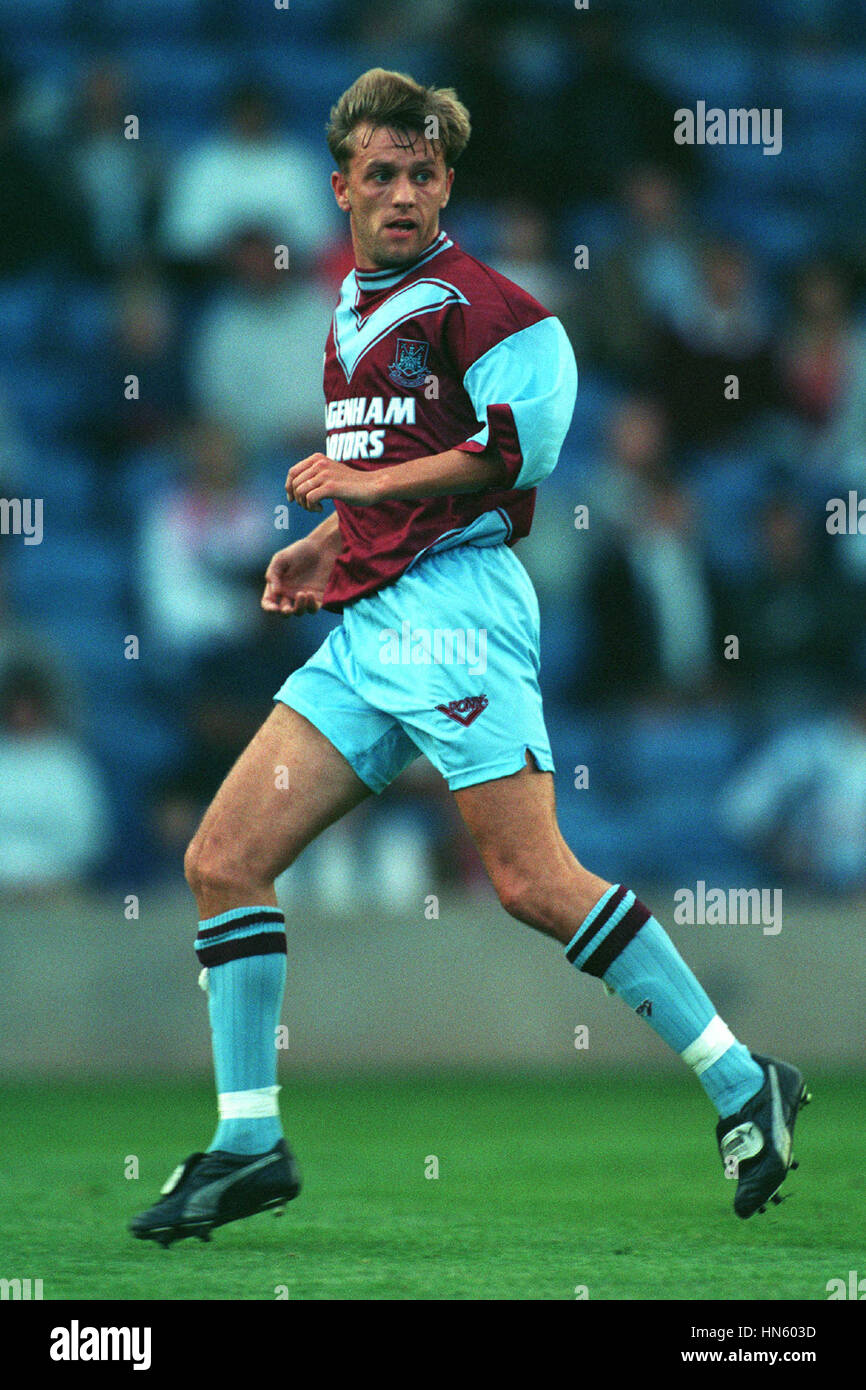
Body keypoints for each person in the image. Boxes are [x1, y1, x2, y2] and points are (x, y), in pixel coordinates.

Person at [131, 69, 808, 1247]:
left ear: (448, 183)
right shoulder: (348, 309)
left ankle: (738, 1074)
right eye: (381, 174)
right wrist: (317, 543)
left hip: (456, 618)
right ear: (339, 186)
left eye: (424, 173)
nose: (402, 193)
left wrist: (361, 492)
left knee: (532, 881)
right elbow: (388, 475)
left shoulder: (493, 310)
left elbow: (506, 460)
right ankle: (249, 1142)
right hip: (366, 623)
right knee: (223, 857)